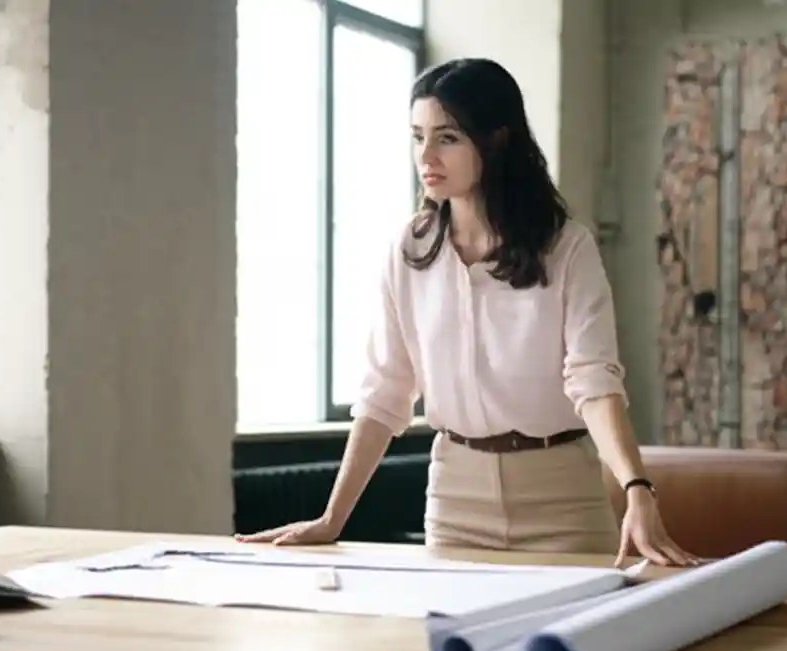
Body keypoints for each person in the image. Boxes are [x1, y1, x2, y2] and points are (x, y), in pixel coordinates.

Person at [236, 58, 700, 568]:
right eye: (418, 137)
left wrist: (636, 487)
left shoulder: (567, 247)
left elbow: (593, 381)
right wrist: (331, 520)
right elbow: (384, 393)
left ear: (496, 139)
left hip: (562, 499)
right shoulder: (409, 250)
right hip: (455, 500)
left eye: (448, 138)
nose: (426, 155)